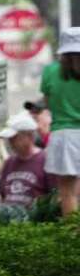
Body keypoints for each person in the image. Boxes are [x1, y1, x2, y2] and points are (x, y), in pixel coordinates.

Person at [43, 27, 80, 216]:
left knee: (68, 192)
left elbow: (48, 103)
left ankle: (73, 238)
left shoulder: (50, 72)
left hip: (63, 135)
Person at [0, 112, 52, 218]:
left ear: (29, 136)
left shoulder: (46, 160)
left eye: (14, 137)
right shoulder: (9, 162)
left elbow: (54, 198)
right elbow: (2, 197)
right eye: (9, 138)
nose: (10, 141)